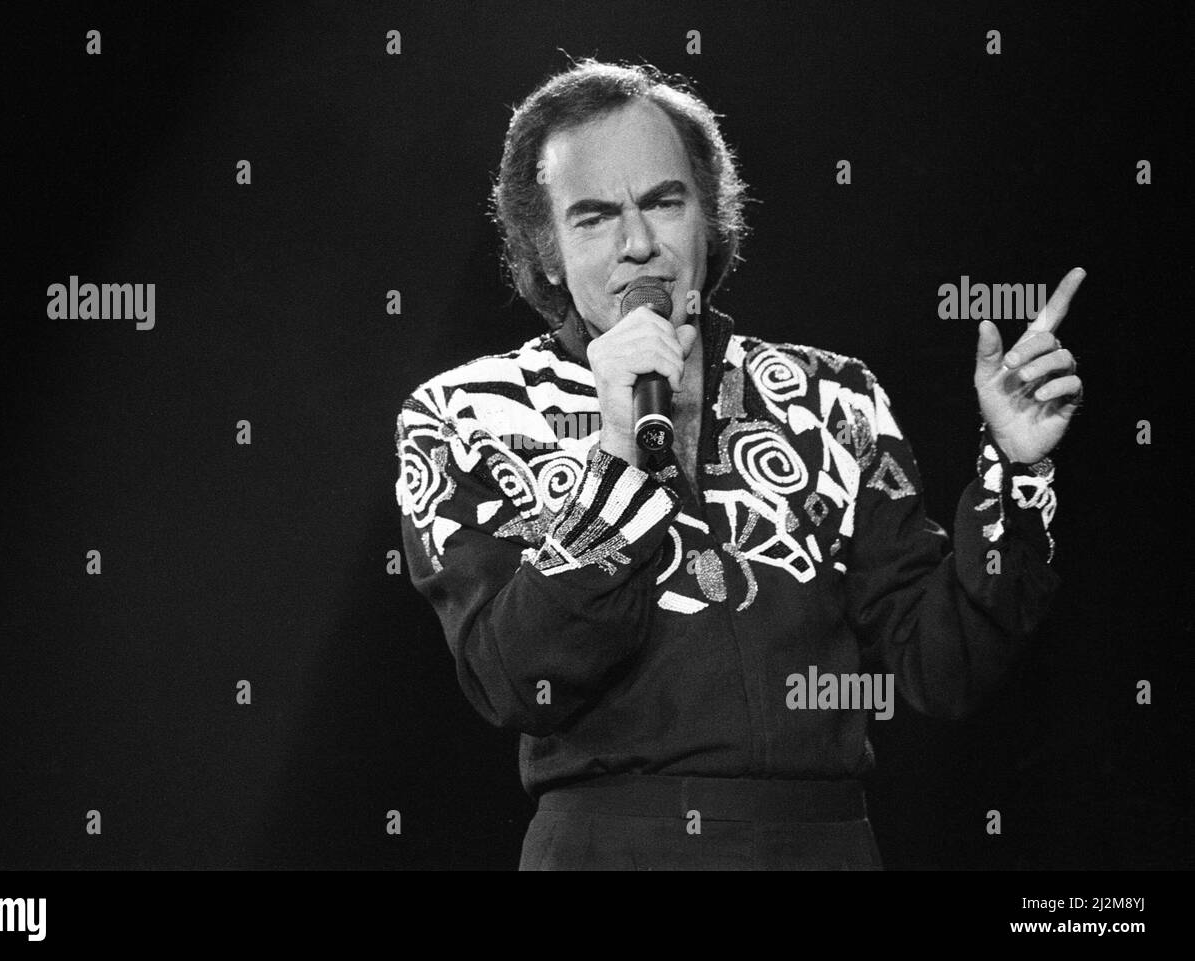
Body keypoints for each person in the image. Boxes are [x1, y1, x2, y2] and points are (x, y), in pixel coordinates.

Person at [393, 60, 1084, 870]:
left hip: (821, 843)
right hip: (609, 847)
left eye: (664, 201)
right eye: (593, 218)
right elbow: (516, 678)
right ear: (544, 252)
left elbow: (944, 666)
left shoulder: (834, 397)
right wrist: (615, 452)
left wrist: (1014, 470)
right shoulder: (466, 414)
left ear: (708, 219)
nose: (639, 244)